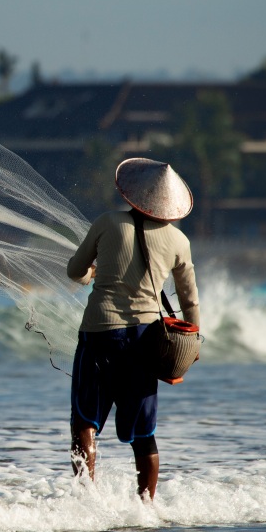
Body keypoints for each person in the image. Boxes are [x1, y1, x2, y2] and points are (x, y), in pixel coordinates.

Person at [65, 158, 200, 500]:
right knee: (144, 433)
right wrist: (193, 344)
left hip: (100, 331)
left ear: (133, 195)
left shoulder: (108, 223)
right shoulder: (179, 242)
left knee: (85, 421)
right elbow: (190, 301)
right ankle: (146, 507)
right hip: (146, 340)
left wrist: (95, 273)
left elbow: (75, 271)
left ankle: (86, 502)